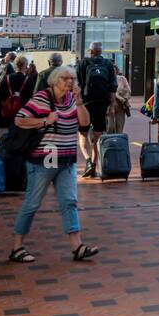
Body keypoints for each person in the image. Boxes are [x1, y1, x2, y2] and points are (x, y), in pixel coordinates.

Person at [9, 66, 99, 262]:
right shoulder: (42, 98)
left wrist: (80, 103)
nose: (69, 82)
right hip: (46, 158)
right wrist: (44, 121)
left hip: (67, 159)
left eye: (72, 79)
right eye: (65, 78)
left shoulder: (71, 100)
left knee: (69, 201)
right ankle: (17, 246)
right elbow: (19, 120)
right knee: (33, 203)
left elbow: (84, 125)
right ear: (54, 80)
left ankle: (77, 246)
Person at [77, 42, 117, 179]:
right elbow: (113, 87)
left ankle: (88, 160)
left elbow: (78, 85)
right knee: (97, 136)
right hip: (102, 103)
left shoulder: (83, 63)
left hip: (86, 104)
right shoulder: (108, 64)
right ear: (101, 51)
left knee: (82, 134)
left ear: (91, 51)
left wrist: (78, 104)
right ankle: (93, 166)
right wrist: (111, 106)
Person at [0, 56, 31, 142]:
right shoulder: (29, 80)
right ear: (26, 65)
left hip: (3, 117)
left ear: (15, 65)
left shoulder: (6, 79)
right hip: (20, 118)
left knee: (1, 145)